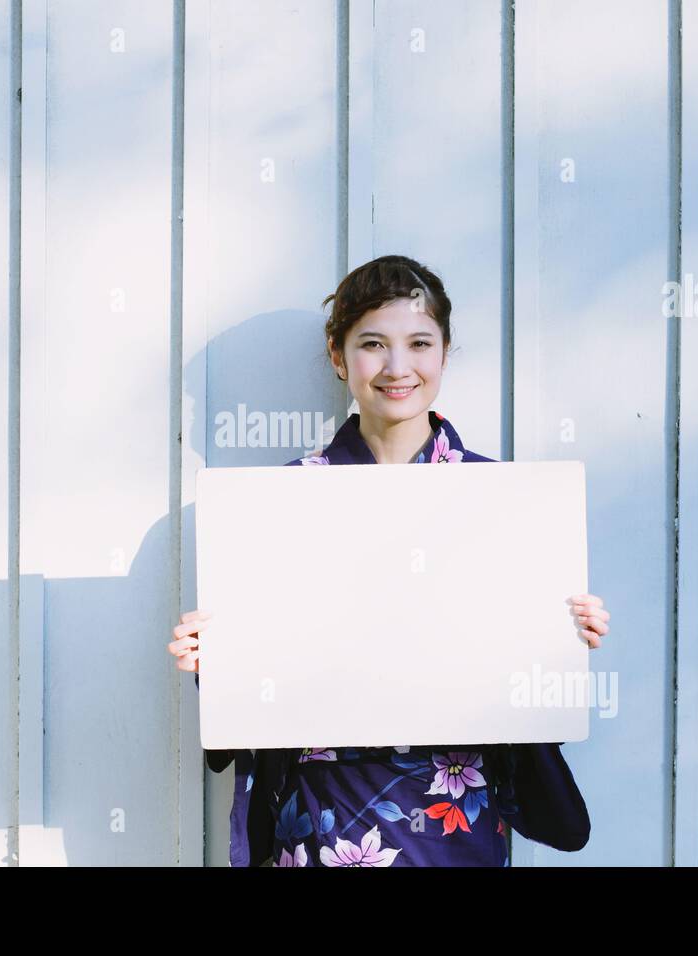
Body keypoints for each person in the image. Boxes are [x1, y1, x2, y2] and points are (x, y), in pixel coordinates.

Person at [168, 254, 612, 866]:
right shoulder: (281, 501)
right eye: (373, 344)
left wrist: (560, 638)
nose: (397, 367)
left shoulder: (503, 500)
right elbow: (260, 679)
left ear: (445, 353)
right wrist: (214, 661)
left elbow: (524, 688)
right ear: (338, 355)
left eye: (419, 343)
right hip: (325, 810)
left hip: (455, 807)